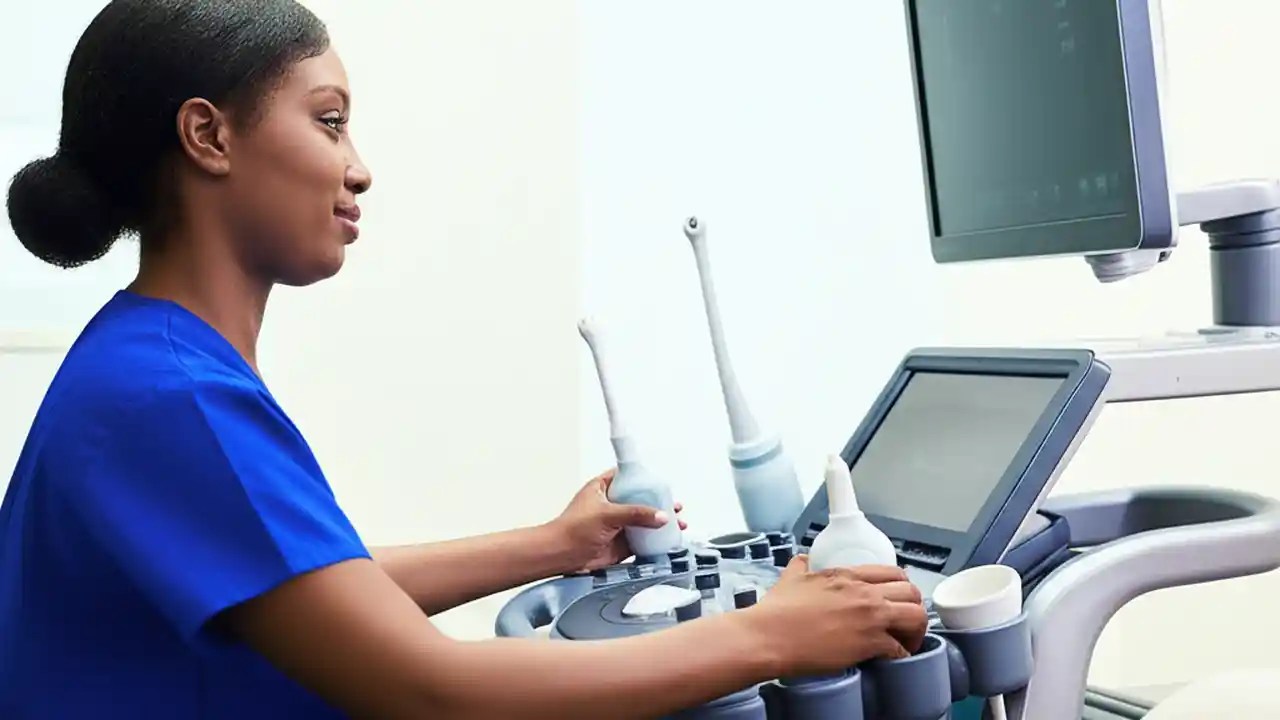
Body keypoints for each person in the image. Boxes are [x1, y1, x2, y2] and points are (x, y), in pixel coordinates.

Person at [0, 1, 929, 718]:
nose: (358, 167)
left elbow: (315, 590)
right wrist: (768, 635)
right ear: (209, 137)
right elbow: (430, 693)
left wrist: (550, 547)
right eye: (329, 122)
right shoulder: (170, 397)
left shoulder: (147, 362)